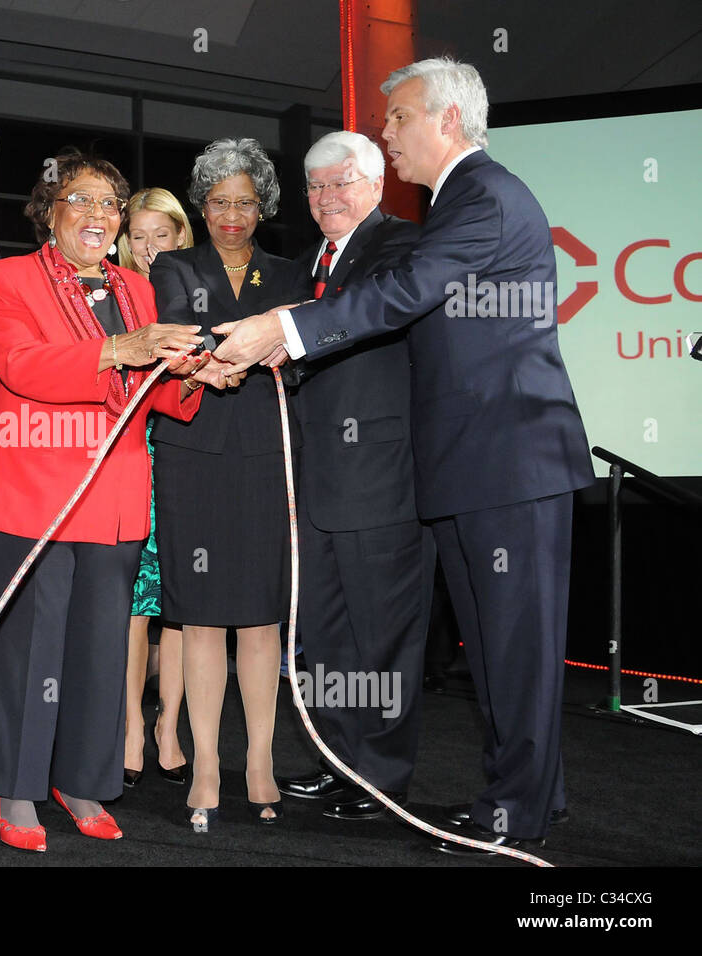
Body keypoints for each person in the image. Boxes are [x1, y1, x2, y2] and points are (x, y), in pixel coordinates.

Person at [213, 57, 593, 851]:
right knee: (494, 652)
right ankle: (528, 799)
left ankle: (514, 814)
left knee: (512, 653)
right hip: (475, 466)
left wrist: (280, 332)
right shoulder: (464, 199)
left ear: (447, 121)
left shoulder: (483, 195)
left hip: (508, 464)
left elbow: (407, 288)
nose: (388, 134)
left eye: (400, 119)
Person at [0, 148, 232, 852]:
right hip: (35, 496)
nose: (97, 215)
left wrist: (201, 376)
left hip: (115, 496)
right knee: (28, 652)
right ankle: (16, 788)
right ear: (48, 210)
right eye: (80, 200)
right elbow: (20, 366)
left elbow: (160, 394)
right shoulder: (8, 277)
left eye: (109, 205)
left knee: (97, 652)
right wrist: (121, 349)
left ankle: (81, 778)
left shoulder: (139, 289)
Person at [274, 131, 435, 820]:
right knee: (329, 635)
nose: (326, 198)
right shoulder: (311, 259)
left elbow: (358, 316)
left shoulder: (399, 248)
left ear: (375, 186)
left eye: (342, 182)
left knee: (383, 638)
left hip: (381, 479)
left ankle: (382, 776)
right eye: (315, 187)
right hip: (315, 483)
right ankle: (340, 760)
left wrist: (277, 333)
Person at [148, 138, 304, 831]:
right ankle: (207, 764)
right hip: (193, 453)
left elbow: (301, 357)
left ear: (262, 207)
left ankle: (262, 761)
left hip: (268, 458)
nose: (232, 216)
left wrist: (252, 346)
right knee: (203, 615)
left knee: (264, 617)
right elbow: (182, 339)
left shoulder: (291, 275)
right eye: (219, 203)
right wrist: (239, 346)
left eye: (245, 203)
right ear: (201, 207)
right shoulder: (175, 267)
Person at [117, 187, 193, 788]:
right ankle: (130, 732)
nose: (146, 249)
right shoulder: (113, 294)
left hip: (193, 461)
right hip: (131, 461)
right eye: (137, 236)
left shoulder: (198, 290)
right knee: (136, 608)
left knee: (183, 609)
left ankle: (170, 726)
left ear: (179, 236)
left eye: (158, 236)